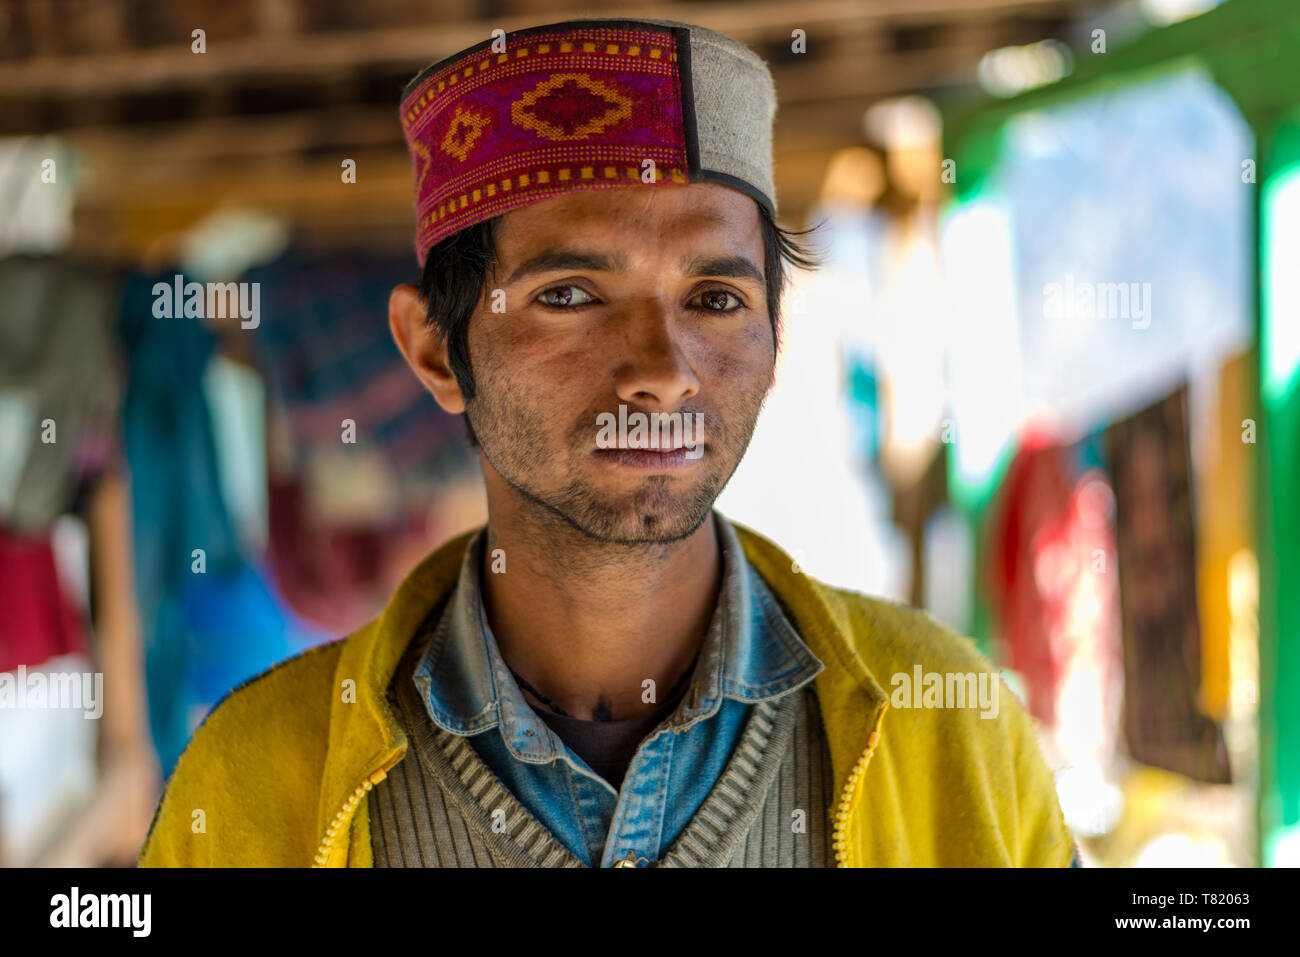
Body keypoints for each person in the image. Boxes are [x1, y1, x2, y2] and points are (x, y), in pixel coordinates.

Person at [140, 16, 1076, 867]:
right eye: (572, 295)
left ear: (776, 341)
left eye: (716, 299)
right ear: (434, 348)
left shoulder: (952, 732)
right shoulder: (256, 782)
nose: (662, 369)